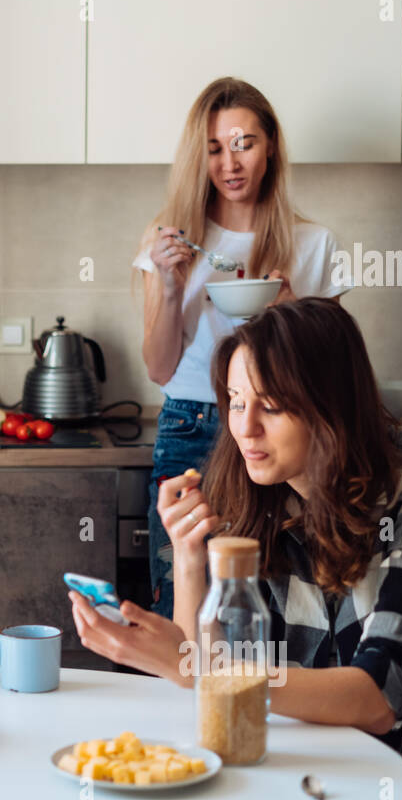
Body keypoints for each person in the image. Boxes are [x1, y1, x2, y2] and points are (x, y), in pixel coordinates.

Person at [70, 299, 402, 800]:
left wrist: (195, 669)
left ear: (331, 405)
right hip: (303, 775)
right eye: (236, 402)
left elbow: (378, 698)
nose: (246, 429)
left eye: (271, 406)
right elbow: (211, 687)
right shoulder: (259, 493)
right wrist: (190, 557)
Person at [137, 77, 346, 618]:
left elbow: (339, 376)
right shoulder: (168, 242)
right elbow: (160, 369)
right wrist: (168, 283)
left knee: (277, 603)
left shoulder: (315, 244)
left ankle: (266, 702)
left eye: (244, 144)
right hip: (190, 429)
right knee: (181, 597)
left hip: (282, 436)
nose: (229, 163)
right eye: (213, 149)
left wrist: (296, 314)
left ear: (271, 145)